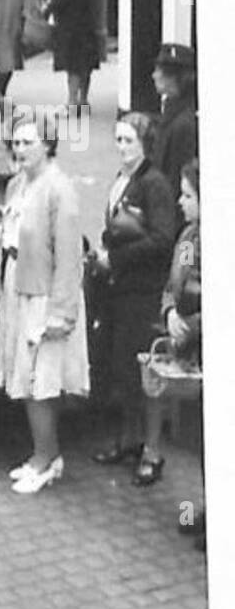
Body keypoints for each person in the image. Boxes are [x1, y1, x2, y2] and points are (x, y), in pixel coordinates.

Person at [0, 111, 88, 493]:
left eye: (29, 142)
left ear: (48, 145)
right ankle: (44, 454)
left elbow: (69, 258)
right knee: (24, 377)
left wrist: (61, 314)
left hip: (43, 297)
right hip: (16, 286)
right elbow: (9, 232)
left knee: (39, 380)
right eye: (16, 142)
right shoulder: (16, 185)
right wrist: (0, 266)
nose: (20, 149)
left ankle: (46, 460)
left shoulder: (60, 189)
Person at [88, 112, 176, 473]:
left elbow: (162, 239)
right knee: (121, 369)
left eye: (129, 141)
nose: (122, 147)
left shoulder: (154, 184)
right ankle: (128, 441)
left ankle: (152, 452)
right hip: (117, 289)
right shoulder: (122, 178)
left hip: (141, 292)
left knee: (142, 371)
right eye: (119, 140)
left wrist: (116, 259)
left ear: (145, 144)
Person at [136, 159, 201, 496]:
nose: (180, 201)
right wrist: (170, 312)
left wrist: (192, 324)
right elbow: (176, 278)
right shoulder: (189, 236)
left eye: (188, 196)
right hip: (183, 336)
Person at [49, 0, 102, 108]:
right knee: (85, 66)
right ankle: (84, 100)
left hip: (69, 26)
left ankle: (72, 102)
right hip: (87, 24)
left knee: (73, 66)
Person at [150, 43, 198, 202]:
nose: (154, 75)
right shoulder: (172, 111)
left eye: (159, 71)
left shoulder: (184, 124)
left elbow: (175, 181)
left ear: (174, 77)